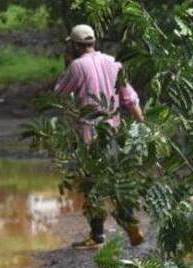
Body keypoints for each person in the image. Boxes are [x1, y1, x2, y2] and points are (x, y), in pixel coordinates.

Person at [54, 24, 147, 249]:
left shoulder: (76, 66)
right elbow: (130, 99)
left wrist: (66, 68)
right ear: (93, 42)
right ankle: (131, 225)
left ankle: (97, 235)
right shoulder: (114, 63)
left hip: (90, 137)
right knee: (116, 181)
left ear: (75, 46)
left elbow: (59, 95)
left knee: (91, 185)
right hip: (114, 133)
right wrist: (143, 127)